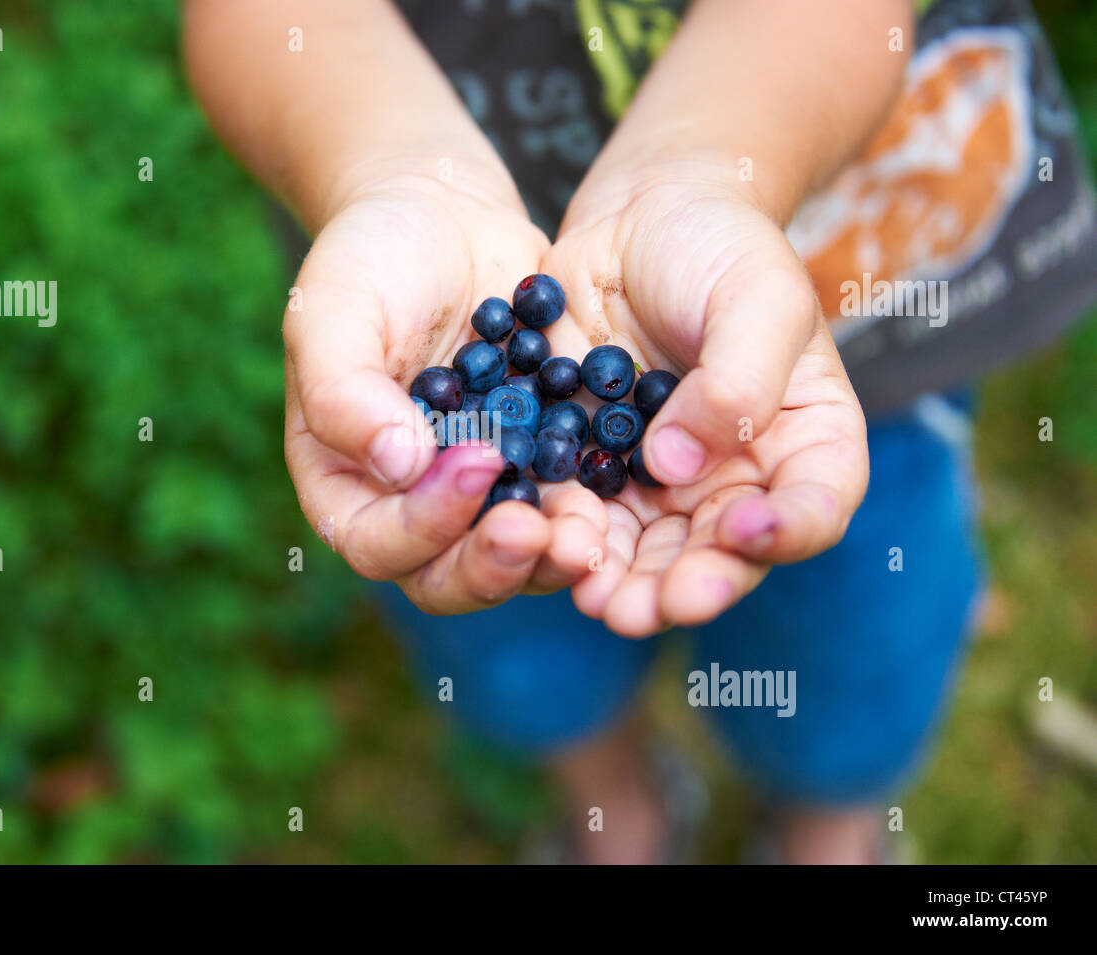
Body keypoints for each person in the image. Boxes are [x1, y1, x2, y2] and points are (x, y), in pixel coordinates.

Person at [185, 0, 1097, 863]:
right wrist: (393, 175)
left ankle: (832, 824)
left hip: (860, 332)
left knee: (863, 639)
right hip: (429, 295)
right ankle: (616, 810)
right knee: (511, 640)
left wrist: (703, 169)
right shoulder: (494, 391)